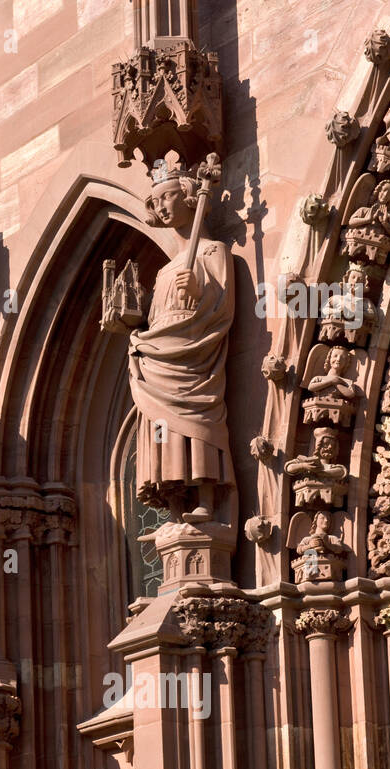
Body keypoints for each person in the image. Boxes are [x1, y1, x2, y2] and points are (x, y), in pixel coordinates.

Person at [126, 165, 235, 524]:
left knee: (195, 419)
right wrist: (137, 318)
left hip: (193, 355)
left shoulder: (212, 251)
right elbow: (160, 316)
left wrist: (201, 292)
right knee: (164, 427)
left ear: (189, 196)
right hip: (160, 355)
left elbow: (222, 310)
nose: (163, 205)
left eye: (169, 196)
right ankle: (175, 507)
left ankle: (205, 496)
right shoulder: (165, 270)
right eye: (156, 201)